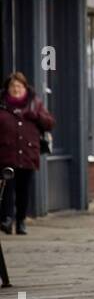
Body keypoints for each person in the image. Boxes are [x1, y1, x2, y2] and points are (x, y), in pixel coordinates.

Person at [0, 72, 55, 236]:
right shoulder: (2, 104)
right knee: (6, 189)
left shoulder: (35, 103)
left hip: (27, 154)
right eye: (12, 86)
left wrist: (37, 116)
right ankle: (7, 220)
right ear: (7, 88)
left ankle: (21, 221)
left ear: (25, 88)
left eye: (19, 86)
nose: (15, 89)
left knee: (23, 190)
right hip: (6, 153)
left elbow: (50, 123)